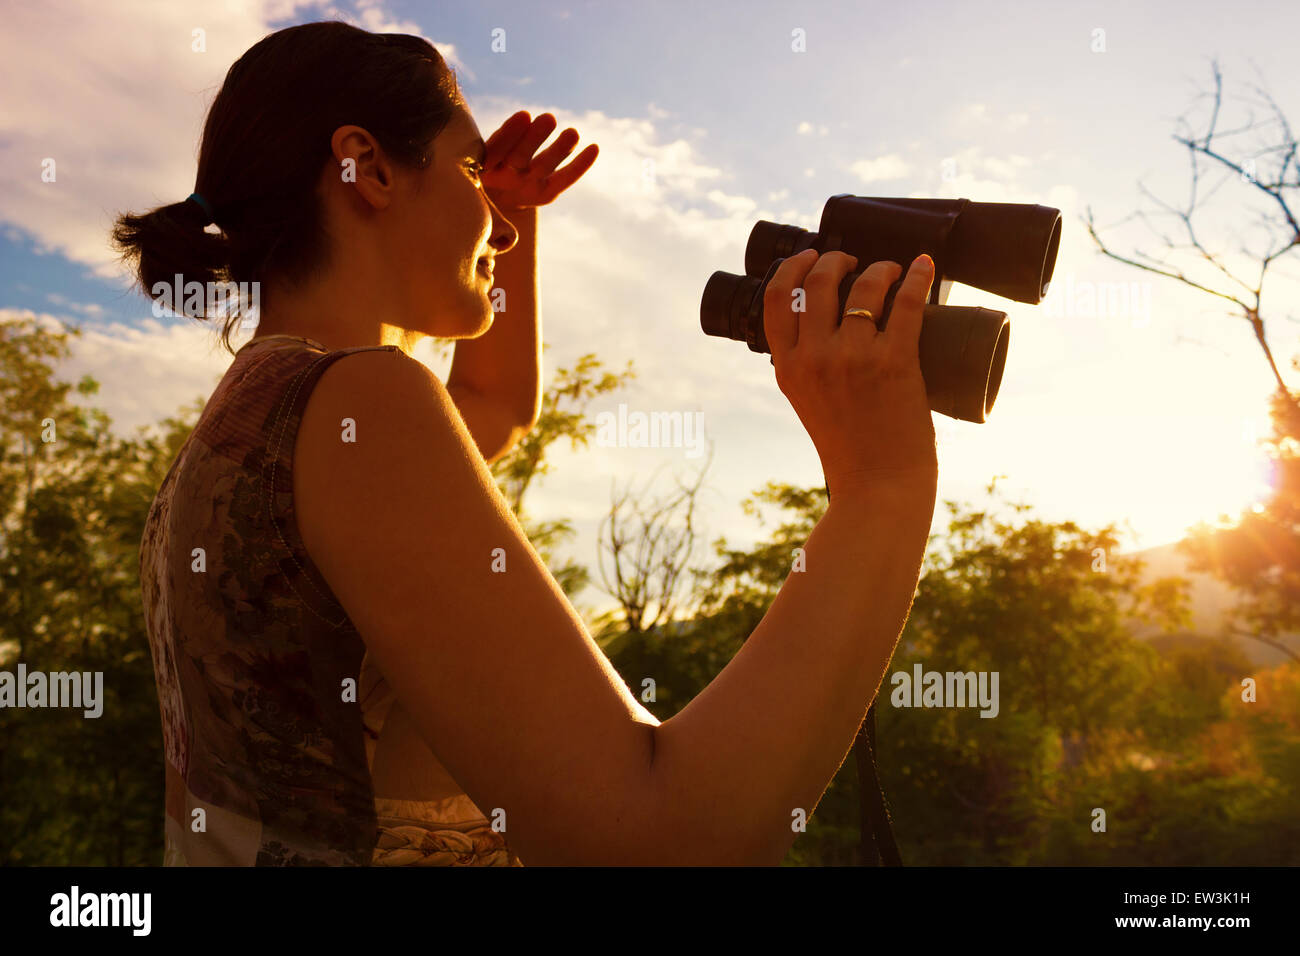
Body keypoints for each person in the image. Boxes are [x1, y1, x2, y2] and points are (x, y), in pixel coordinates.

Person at [113, 20, 938, 867]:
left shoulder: (249, 426)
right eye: (470, 169)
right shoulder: (361, 402)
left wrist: (512, 216)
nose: (500, 228)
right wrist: (884, 483)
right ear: (368, 167)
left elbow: (492, 406)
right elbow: (660, 843)